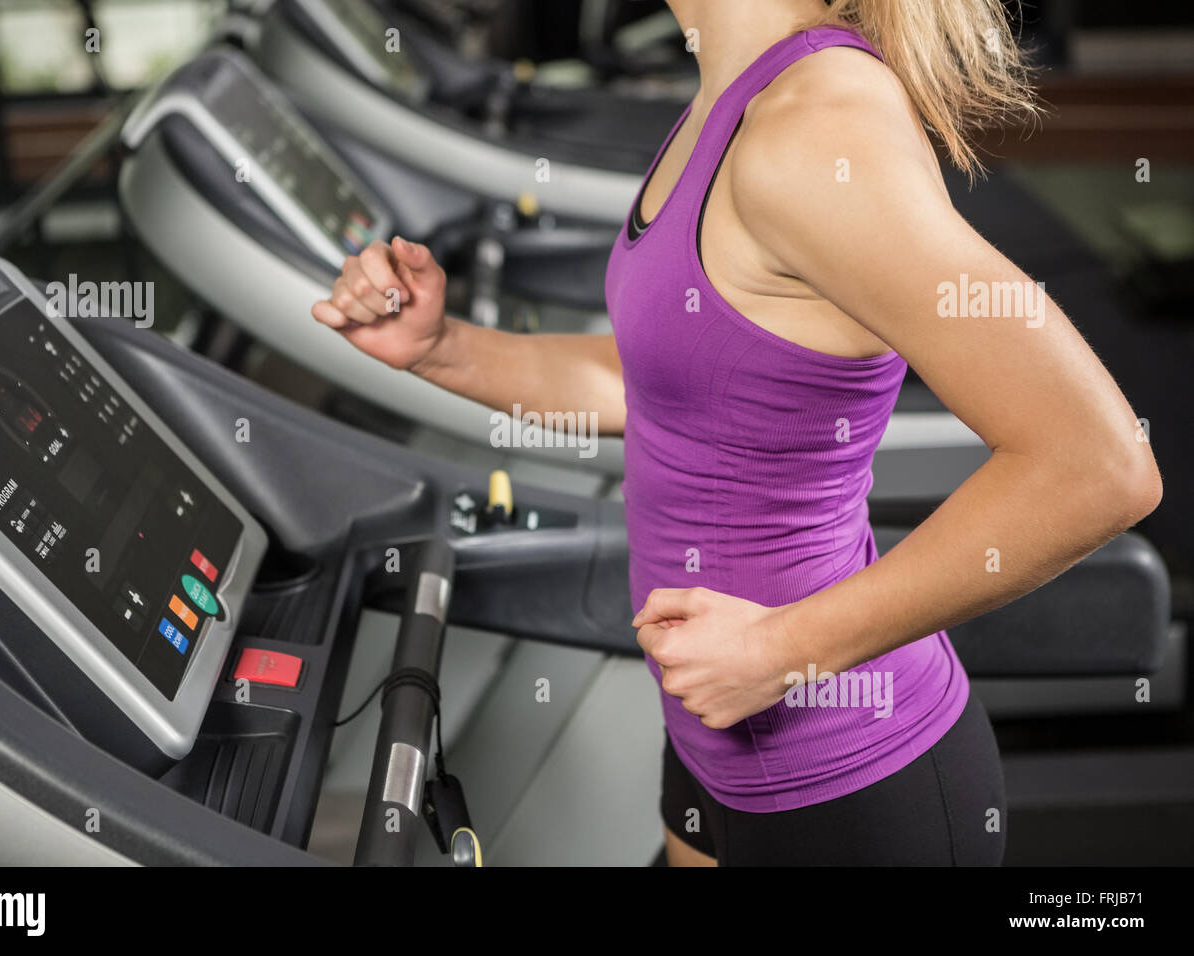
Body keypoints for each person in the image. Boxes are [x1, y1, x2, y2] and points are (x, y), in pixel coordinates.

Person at [311, 0, 1163, 865]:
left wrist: (782, 650)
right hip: (711, 754)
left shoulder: (816, 129)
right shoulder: (728, 96)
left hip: (852, 787)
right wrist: (443, 348)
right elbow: (659, 379)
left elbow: (1098, 463)